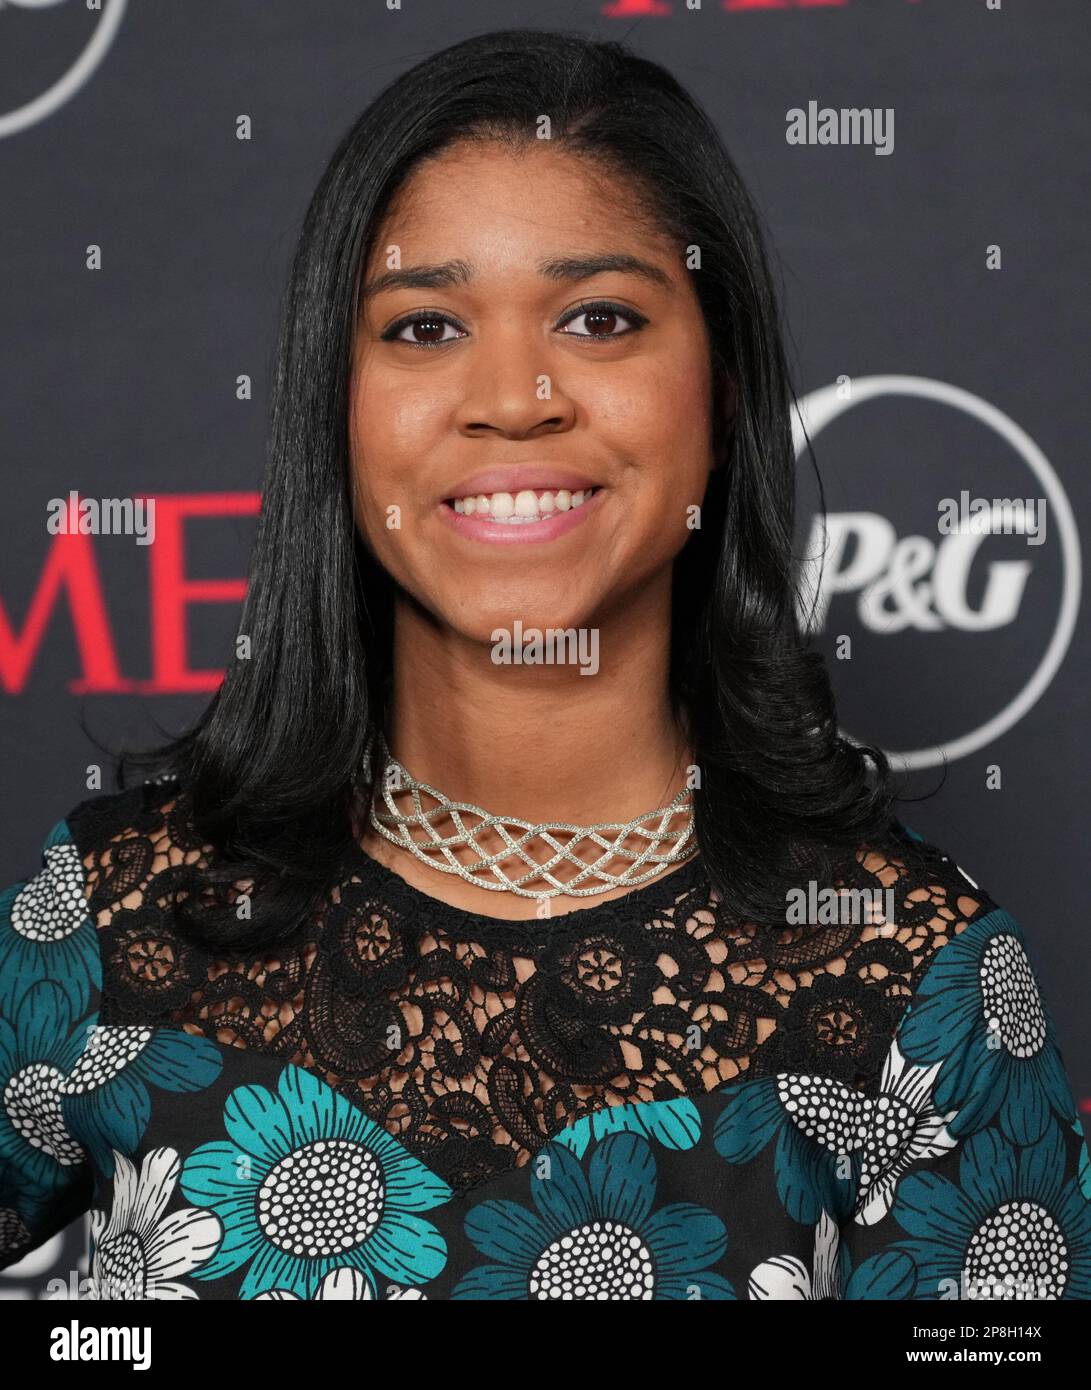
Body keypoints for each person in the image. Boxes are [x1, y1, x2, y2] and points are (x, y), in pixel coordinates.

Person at [2, 28, 1087, 1302]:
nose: (514, 397)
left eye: (598, 317)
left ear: (722, 388)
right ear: (329, 401)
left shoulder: (917, 977)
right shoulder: (115, 916)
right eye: (422, 327)